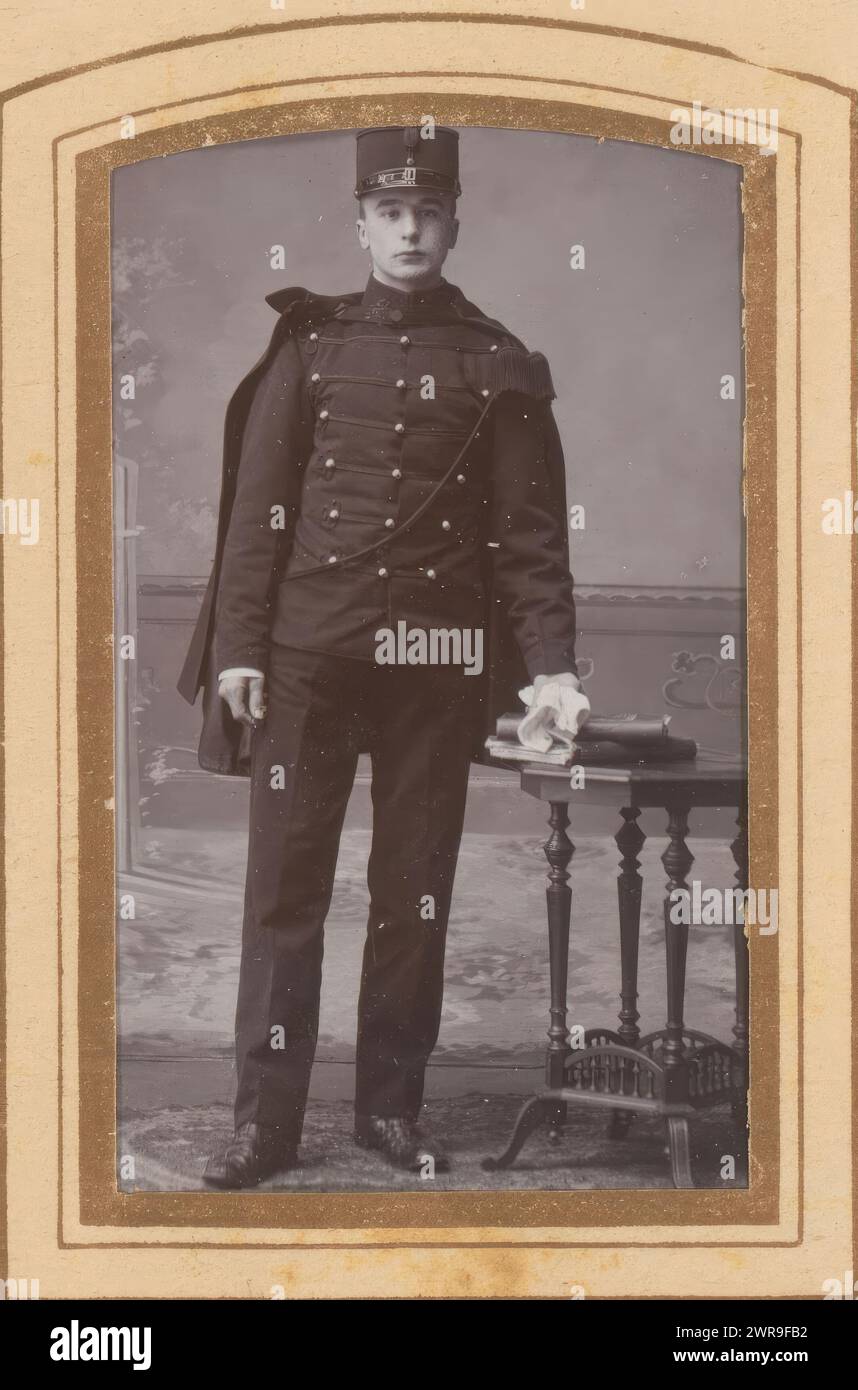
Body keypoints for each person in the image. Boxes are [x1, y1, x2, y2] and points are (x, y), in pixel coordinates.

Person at [177, 124, 589, 1188]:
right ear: (361, 222)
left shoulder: (498, 359)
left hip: (434, 670)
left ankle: (389, 1111)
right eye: (391, 212)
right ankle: (263, 1125)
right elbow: (258, 517)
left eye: (430, 212)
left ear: (456, 222)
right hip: (308, 660)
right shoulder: (310, 349)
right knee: (284, 894)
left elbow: (531, 540)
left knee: (413, 893)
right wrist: (239, 651)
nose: (410, 229)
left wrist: (553, 668)